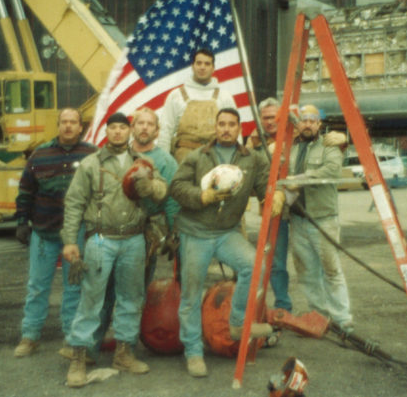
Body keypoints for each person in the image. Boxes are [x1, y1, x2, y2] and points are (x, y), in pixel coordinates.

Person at [170, 108, 285, 378]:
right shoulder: (198, 156)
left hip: (226, 232)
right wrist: (202, 196)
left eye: (231, 124)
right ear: (215, 127)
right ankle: (194, 352)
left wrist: (275, 193)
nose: (225, 129)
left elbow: (266, 184)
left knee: (254, 266)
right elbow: (176, 187)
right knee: (191, 294)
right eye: (221, 124)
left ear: (239, 128)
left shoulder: (253, 159)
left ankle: (237, 324)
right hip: (195, 232)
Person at [60, 112, 169, 387]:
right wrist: (70, 241)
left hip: (133, 239)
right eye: (113, 128)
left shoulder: (143, 164)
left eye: (123, 127)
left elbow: (162, 190)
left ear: (129, 131)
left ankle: (124, 353)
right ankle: (79, 358)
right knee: (91, 299)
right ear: (106, 131)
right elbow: (73, 203)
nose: (118, 132)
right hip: (100, 239)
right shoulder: (90, 165)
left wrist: (152, 186)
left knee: (131, 297)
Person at [12, 108, 96, 359]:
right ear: (58, 125)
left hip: (78, 234)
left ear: (81, 127)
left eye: (73, 122)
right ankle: (30, 336)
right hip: (43, 231)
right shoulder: (39, 155)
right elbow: (25, 191)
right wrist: (21, 222)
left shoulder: (92, 155)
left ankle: (72, 339)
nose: (69, 126)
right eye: (64, 122)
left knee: (74, 288)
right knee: (37, 286)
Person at [284, 105, 353, 331]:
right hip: (298, 220)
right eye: (304, 120)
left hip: (323, 219)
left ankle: (342, 320)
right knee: (307, 271)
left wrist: (301, 178)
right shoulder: (290, 149)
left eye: (313, 120)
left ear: (319, 125)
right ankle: (319, 317)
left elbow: (333, 170)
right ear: (298, 124)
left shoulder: (329, 145)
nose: (308, 124)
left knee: (331, 269)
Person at [246, 97, 293, 315]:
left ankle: (327, 312)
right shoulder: (255, 145)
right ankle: (283, 306)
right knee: (276, 262)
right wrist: (254, 147)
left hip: (305, 210)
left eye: (274, 117)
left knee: (314, 264)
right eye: (265, 118)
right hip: (276, 212)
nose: (270, 122)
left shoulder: (295, 136)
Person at [157, 49, 237, 162]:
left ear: (213, 68)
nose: (202, 67)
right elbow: (165, 131)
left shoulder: (224, 96)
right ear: (192, 66)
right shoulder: (176, 96)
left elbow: (235, 132)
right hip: (184, 159)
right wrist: (164, 162)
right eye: (198, 63)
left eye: (207, 64)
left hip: (216, 158)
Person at [130, 107, 181, 280]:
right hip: (120, 229)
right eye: (140, 123)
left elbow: (172, 200)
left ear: (157, 131)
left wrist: (173, 233)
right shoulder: (121, 155)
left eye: (150, 124)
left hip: (148, 230)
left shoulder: (166, 161)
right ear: (132, 128)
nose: (145, 127)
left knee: (141, 282)